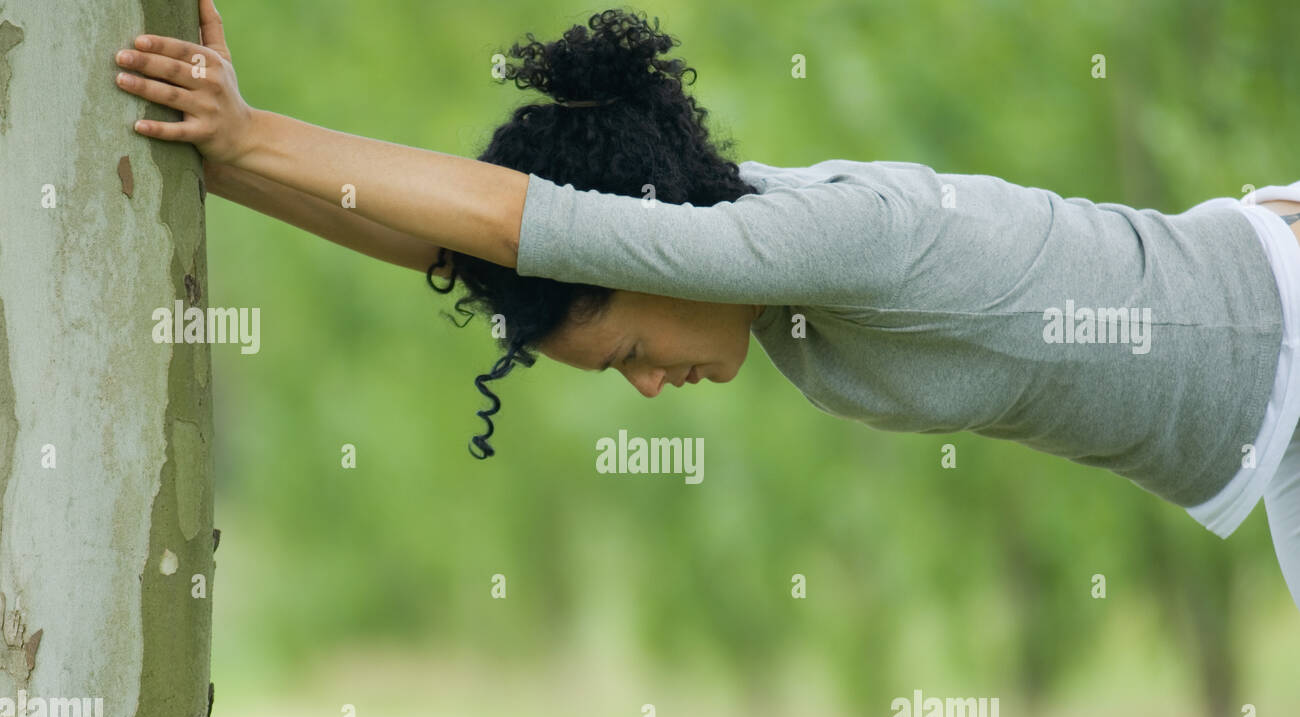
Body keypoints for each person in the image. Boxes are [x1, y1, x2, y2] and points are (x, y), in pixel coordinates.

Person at [114, 3, 1300, 612]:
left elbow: (519, 219)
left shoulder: (819, 239)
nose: (643, 383)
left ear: (665, 254)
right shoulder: (771, 264)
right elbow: (458, 240)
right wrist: (229, 174)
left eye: (628, 346)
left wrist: (259, 133)